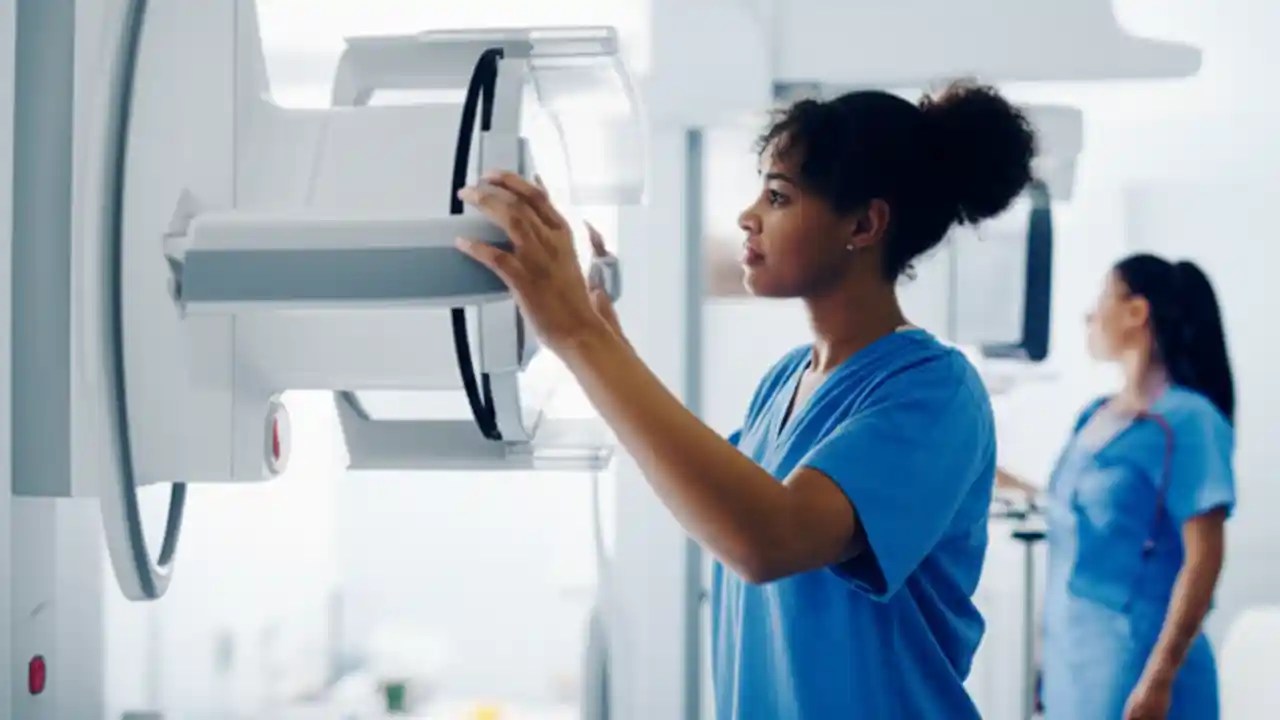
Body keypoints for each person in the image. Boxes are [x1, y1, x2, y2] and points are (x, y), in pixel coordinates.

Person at [455, 80, 1036, 718]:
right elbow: (715, 501)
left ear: (865, 224)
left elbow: (767, 539)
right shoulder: (785, 380)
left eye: (778, 195)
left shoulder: (934, 390)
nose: (747, 215)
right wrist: (598, 340)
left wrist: (582, 337)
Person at [998, 255, 1235, 720]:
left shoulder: (1187, 421)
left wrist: (1160, 676)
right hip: (1073, 662)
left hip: (1139, 665)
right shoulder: (1094, 416)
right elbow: (1067, 508)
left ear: (1136, 312)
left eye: (1102, 298)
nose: (1090, 315)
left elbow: (1204, 559)